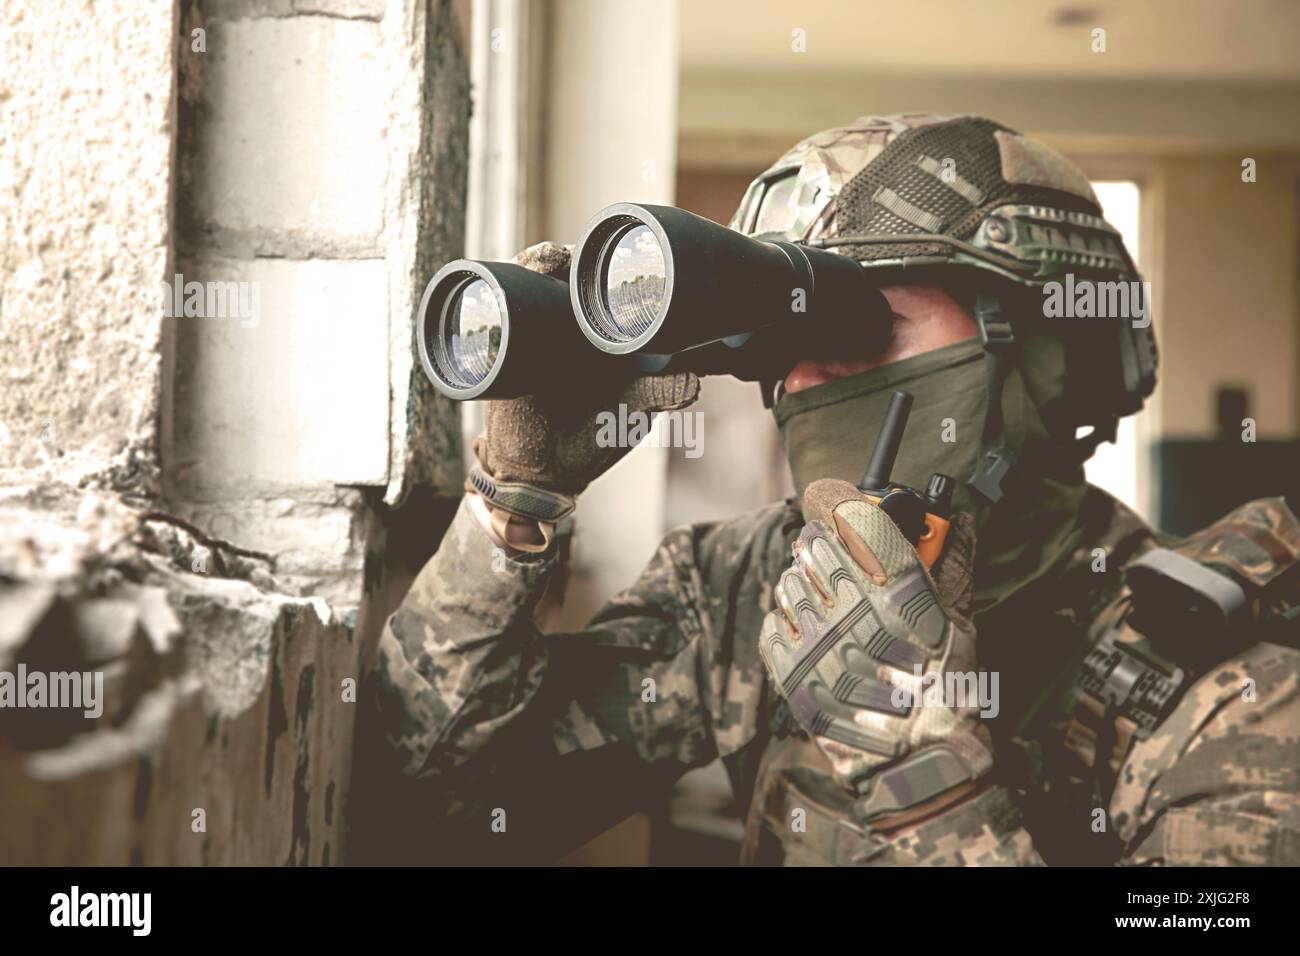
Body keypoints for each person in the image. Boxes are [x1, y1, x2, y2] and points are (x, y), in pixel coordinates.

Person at [369, 114, 1300, 865]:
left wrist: (922, 770)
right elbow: (431, 810)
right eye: (786, 348)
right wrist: (512, 510)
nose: (811, 385)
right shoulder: (751, 583)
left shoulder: (1225, 689)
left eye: (869, 326)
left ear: (1051, 362)